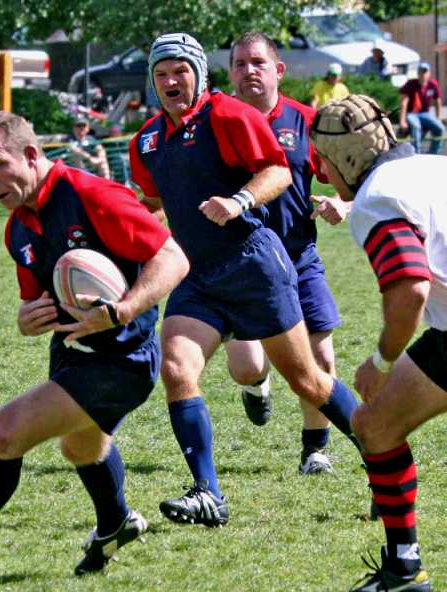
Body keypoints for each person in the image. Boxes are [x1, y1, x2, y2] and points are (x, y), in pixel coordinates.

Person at [0, 111, 190, 580]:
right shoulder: (18, 226)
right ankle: (115, 523)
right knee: (82, 449)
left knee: (6, 430)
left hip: (123, 359)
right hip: (71, 354)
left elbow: (172, 258)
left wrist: (123, 309)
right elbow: (34, 300)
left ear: (31, 156)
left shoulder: (92, 195)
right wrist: (27, 318)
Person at [129, 33, 362, 527]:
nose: (171, 81)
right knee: (176, 369)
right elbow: (149, 203)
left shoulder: (229, 115)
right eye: (162, 74)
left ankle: (380, 445)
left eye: (181, 70)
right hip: (196, 273)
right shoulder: (147, 140)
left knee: (309, 379)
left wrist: (239, 201)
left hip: (253, 262)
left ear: (200, 73)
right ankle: (208, 493)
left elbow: (277, 171)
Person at [309, 94, 439, 592]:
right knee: (374, 422)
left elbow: (410, 284)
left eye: (322, 159)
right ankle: (403, 570)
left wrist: (383, 359)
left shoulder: (378, 197)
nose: (320, 174)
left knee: (375, 421)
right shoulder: (433, 164)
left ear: (342, 158)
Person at [226, 31, 351, 474]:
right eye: (239, 64)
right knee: (246, 367)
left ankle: (314, 450)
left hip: (299, 257)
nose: (248, 71)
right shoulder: (218, 122)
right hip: (240, 263)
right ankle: (256, 386)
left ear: (278, 70)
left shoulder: (305, 122)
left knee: (320, 359)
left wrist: (343, 203)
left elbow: (350, 180)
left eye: (257, 62)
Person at [399, 62, 444, 154]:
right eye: (421, 71)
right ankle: (416, 154)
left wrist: (438, 118)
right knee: (416, 127)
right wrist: (402, 121)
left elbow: (437, 101)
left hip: (425, 113)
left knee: (441, 129)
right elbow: (404, 103)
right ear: (417, 73)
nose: (423, 74)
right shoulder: (411, 84)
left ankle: (433, 154)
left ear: (429, 73)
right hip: (412, 113)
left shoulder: (433, 84)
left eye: (425, 71)